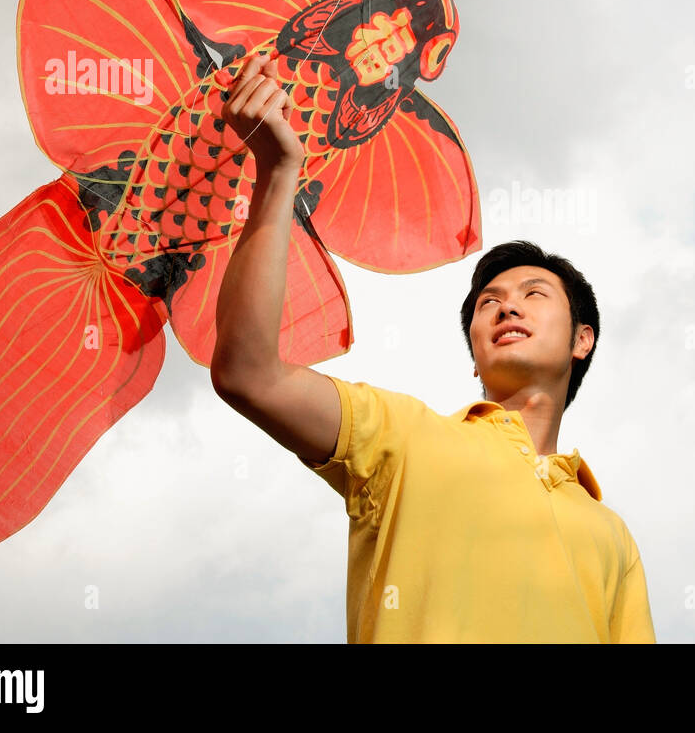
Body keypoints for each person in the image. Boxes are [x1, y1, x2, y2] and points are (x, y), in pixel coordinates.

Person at [209, 52, 655, 642]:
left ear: (583, 339)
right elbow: (249, 374)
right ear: (474, 355)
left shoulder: (612, 536)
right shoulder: (401, 436)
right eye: (488, 303)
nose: (506, 306)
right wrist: (277, 173)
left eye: (534, 293)